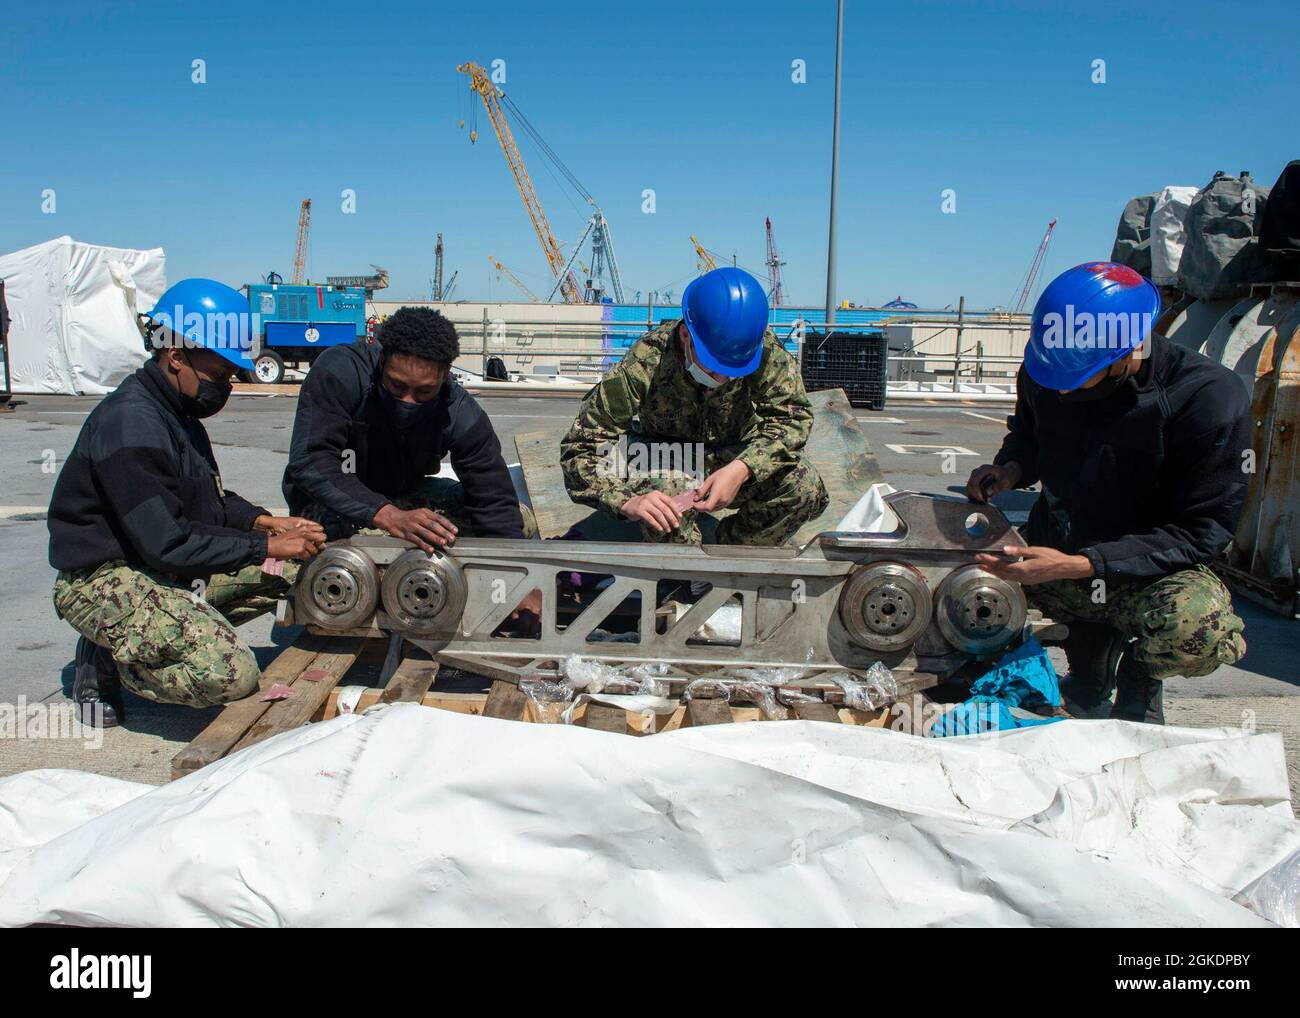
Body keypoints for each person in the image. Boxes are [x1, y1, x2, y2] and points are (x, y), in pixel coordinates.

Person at [966, 261, 1250, 723]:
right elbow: (1030, 436)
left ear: (1130, 350)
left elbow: (1204, 531)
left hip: (1146, 574)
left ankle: (1139, 677)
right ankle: (1089, 663)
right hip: (1053, 555)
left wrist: (1082, 564)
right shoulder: (1049, 371)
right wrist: (1010, 468)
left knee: (1200, 628)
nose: (1060, 393)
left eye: (1076, 381)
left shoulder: (1208, 397)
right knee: (956, 598)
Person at [47, 279, 326, 724]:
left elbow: (207, 501)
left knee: (301, 565)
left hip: (159, 565)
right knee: (231, 675)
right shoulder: (131, 424)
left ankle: (167, 627)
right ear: (176, 356)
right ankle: (108, 656)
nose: (227, 386)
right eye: (220, 374)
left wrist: (262, 523)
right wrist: (264, 548)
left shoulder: (177, 411)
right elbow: (169, 542)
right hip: (103, 576)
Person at [281, 306, 538, 623]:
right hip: (330, 504)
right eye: (396, 386)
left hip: (401, 497)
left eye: (424, 392)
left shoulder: (459, 412)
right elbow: (309, 462)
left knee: (520, 521)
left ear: (445, 376)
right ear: (382, 359)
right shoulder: (341, 372)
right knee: (355, 550)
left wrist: (514, 580)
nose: (408, 401)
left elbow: (493, 497)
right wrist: (386, 515)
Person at [560, 267, 828, 545]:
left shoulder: (758, 348)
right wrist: (628, 501)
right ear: (686, 336)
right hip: (663, 458)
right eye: (713, 367)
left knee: (803, 486)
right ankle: (683, 578)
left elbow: (792, 418)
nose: (721, 378)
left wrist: (743, 468)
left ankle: (732, 561)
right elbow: (580, 448)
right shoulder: (645, 363)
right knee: (664, 503)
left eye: (733, 370)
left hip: (732, 455)